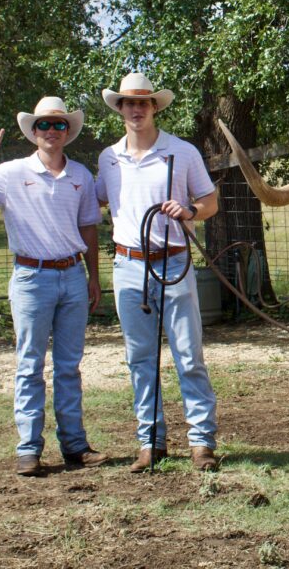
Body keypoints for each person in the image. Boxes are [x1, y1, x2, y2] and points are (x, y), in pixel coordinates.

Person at [0, 97, 105, 477]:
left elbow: (89, 228)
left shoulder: (81, 176)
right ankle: (29, 449)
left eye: (58, 125)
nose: (51, 131)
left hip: (72, 275)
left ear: (67, 131)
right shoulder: (9, 172)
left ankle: (75, 446)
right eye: (44, 125)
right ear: (33, 131)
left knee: (69, 366)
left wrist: (93, 277)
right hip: (30, 278)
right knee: (29, 365)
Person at [96, 72, 221, 472]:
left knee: (189, 354)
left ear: (154, 107)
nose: (136, 109)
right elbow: (97, 200)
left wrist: (190, 212)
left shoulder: (181, 152)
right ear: (120, 109)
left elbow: (210, 201)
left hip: (173, 262)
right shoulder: (108, 158)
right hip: (128, 265)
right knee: (140, 357)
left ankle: (201, 442)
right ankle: (151, 441)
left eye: (143, 103)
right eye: (129, 103)